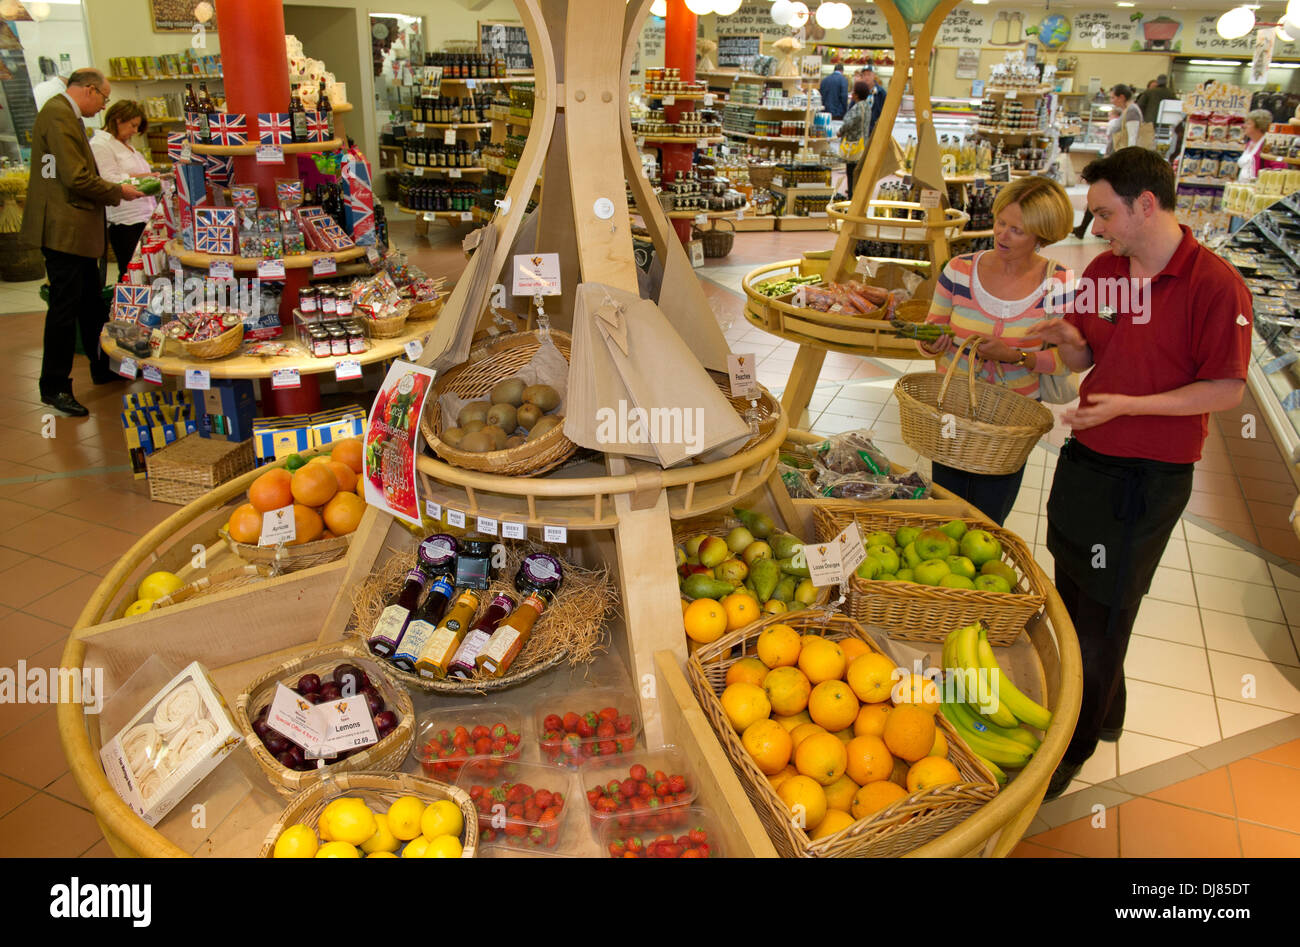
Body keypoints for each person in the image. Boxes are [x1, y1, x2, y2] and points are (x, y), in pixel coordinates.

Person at [1031, 148, 1252, 799]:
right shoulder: (1105, 269)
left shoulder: (1214, 285)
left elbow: (1225, 389)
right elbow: (1087, 346)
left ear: (1145, 205)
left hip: (1147, 476)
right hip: (1088, 456)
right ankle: (1107, 710)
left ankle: (1069, 748)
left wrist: (1131, 404)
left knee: (1106, 611)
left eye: (1103, 213)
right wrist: (1061, 339)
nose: (1095, 227)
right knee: (1070, 587)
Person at [915, 176, 1076, 525]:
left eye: (1017, 230)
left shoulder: (1058, 282)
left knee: (989, 517)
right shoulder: (959, 269)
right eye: (1001, 222)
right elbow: (931, 329)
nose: (1002, 234)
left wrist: (1017, 357)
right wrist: (931, 342)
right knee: (946, 504)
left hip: (1011, 420)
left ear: (1041, 234)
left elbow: (1066, 361)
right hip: (952, 408)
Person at [19, 68, 144, 418]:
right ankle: (54, 386)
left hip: (74, 228)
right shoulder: (59, 115)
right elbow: (76, 177)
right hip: (64, 231)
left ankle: (102, 367)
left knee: (90, 301)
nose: (103, 106)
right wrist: (117, 191)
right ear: (89, 90)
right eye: (104, 98)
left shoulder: (62, 114)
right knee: (65, 308)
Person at [91, 100, 158, 282]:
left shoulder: (124, 144)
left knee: (146, 271)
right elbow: (108, 180)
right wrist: (145, 178)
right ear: (118, 119)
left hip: (142, 215)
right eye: (133, 125)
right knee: (131, 273)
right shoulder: (101, 144)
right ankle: (127, 308)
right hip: (125, 220)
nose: (135, 131)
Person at [1072, 85, 1143, 239]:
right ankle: (1084, 229)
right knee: (1102, 197)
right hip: (1117, 162)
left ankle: (1084, 229)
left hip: (1120, 165)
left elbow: (1132, 137)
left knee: (1102, 196)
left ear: (1122, 97)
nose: (1112, 101)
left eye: (1113, 97)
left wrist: (1126, 162)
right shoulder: (1128, 111)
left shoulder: (1132, 111)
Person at [838, 80, 872, 196]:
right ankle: (856, 192)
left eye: (853, 92)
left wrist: (840, 132)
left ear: (857, 94)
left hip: (854, 145)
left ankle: (852, 195)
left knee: (851, 171)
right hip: (863, 143)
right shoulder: (867, 106)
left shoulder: (857, 107)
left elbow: (848, 123)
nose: (851, 94)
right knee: (858, 171)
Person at [1236, 109, 1278, 182]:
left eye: (1248, 123)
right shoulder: (1250, 143)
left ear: (1259, 126)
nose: (1244, 126)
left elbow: (1278, 169)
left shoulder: (1268, 145)